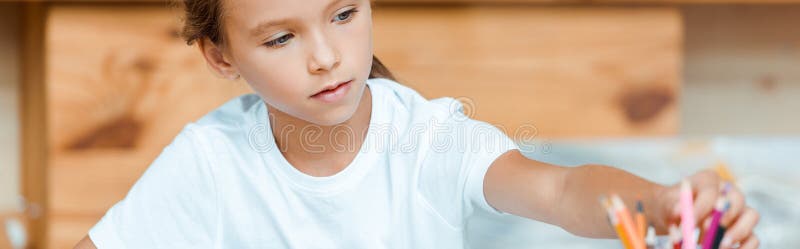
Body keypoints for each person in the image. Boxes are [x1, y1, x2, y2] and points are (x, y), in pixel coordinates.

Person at [74, 0, 759, 248]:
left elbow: (559, 190)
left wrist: (665, 204)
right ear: (221, 55)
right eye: (280, 38)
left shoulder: (428, 139)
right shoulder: (210, 163)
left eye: (343, 15)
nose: (325, 57)